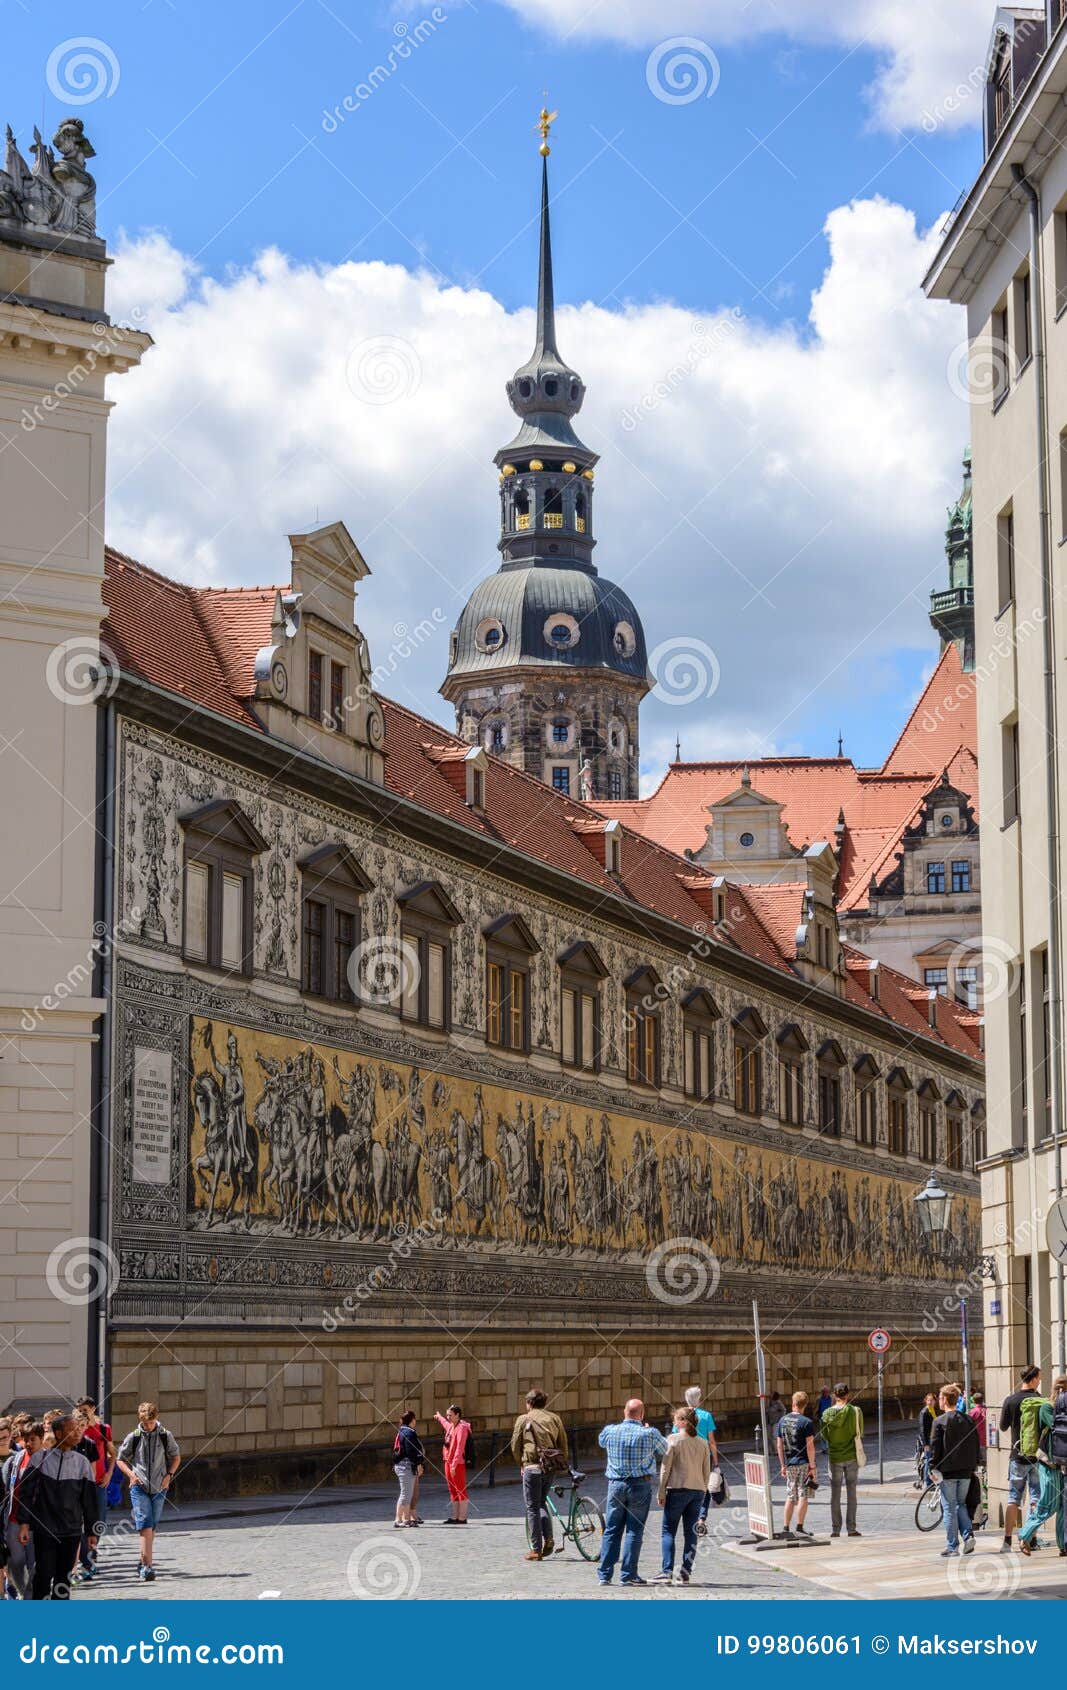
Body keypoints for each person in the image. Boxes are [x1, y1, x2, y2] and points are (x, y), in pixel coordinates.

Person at [16, 1415, 98, 1599]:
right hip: (45, 1529)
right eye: (72, 1429)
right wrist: (24, 1524)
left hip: (71, 1531)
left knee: (63, 1580)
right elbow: (26, 1494)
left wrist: (92, 1531)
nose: (78, 1432)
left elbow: (89, 1500)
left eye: (78, 1428)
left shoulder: (82, 1463)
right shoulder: (39, 1459)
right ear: (59, 1433)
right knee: (43, 1576)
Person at [597, 1398, 668, 1587]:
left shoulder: (610, 1431)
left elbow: (601, 1442)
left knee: (612, 1530)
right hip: (640, 1485)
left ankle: (604, 1575)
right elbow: (665, 1449)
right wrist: (646, 1430)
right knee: (634, 1531)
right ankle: (628, 1575)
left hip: (616, 1485)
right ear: (642, 1414)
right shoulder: (649, 1433)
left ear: (624, 1412)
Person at [116, 1402, 180, 1582]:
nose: (148, 1426)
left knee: (152, 1527)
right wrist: (131, 1475)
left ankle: (142, 1560)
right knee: (145, 1525)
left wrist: (169, 1475)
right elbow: (120, 1459)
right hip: (139, 1487)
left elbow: (176, 1457)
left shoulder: (165, 1436)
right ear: (140, 1420)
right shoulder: (134, 1436)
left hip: (160, 1486)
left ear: (156, 1419)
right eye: (145, 1423)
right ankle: (147, 1567)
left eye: (151, 1423)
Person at [653, 1405, 710, 1585]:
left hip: (677, 1489)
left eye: (676, 1419)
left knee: (668, 1531)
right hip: (697, 1490)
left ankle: (667, 1571)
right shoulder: (703, 1443)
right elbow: (706, 1471)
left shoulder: (673, 1440)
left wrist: (661, 1490)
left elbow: (665, 1468)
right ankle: (685, 1571)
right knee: (690, 1533)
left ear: (683, 1422)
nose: (673, 1422)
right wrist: (703, 1489)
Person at [511, 1387, 569, 1562]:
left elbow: (515, 1444)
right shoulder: (554, 1418)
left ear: (528, 1403)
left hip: (532, 1467)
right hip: (549, 1467)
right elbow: (563, 1444)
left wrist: (521, 1463)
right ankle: (549, 1539)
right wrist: (561, 1463)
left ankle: (536, 1549)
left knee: (532, 1507)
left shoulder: (523, 1419)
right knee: (541, 1501)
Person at [1018, 1375, 1067, 1557]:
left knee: (1063, 1506)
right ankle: (1025, 1535)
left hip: (1062, 1465)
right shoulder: (1047, 1407)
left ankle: (1064, 1544)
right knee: (1048, 1504)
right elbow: (1057, 1427)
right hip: (1050, 1464)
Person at [929, 1384, 980, 1558]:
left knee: (949, 1508)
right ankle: (968, 1536)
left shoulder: (940, 1421)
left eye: (940, 1398)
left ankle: (952, 1546)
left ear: (944, 1400)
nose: (939, 1401)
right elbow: (975, 1443)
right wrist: (974, 1464)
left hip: (947, 1472)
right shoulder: (968, 1419)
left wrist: (932, 1467)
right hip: (965, 1471)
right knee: (961, 1504)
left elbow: (935, 1448)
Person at [999, 1364, 1043, 1554]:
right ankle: (1031, 1538)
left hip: (1017, 1456)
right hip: (1036, 1457)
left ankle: (1007, 1540)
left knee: (1013, 1498)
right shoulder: (1040, 1400)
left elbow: (1002, 1426)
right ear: (1033, 1379)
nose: (1040, 1380)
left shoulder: (1010, 1400)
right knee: (1035, 1498)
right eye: (1039, 1377)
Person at [3, 1421, 43, 1598]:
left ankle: (30, 1600)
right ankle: (25, 1595)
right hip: (14, 1518)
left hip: (38, 1522)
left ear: (41, 1439)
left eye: (32, 1439)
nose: (28, 1443)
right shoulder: (16, 1459)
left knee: (36, 1565)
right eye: (25, 1439)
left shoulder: (48, 1460)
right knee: (15, 1563)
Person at [819, 1382, 863, 1539]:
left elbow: (824, 1435)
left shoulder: (826, 1414)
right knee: (852, 1493)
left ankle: (835, 1529)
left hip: (835, 1457)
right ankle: (851, 1528)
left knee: (835, 1494)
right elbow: (860, 1432)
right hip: (851, 1456)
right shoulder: (855, 1411)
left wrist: (833, 1442)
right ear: (848, 1395)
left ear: (834, 1395)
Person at [776, 1390, 817, 1539]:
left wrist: (782, 1464)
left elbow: (779, 1446)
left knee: (790, 1496)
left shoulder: (782, 1421)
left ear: (793, 1403)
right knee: (803, 1495)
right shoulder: (806, 1422)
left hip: (790, 1463)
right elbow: (810, 1446)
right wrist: (812, 1467)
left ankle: (786, 1527)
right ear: (804, 1405)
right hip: (804, 1463)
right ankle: (799, 1527)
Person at [683, 1386, 720, 1536]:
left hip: (686, 1456)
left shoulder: (682, 1416)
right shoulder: (706, 1416)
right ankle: (701, 1519)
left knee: (688, 1486)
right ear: (698, 1399)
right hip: (704, 1456)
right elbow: (711, 1441)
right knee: (705, 1489)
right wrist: (716, 1461)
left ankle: (690, 1518)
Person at [434, 1404, 471, 1525]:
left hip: (457, 1463)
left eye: (450, 1415)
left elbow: (460, 1447)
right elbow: (445, 1423)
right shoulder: (451, 1426)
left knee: (460, 1489)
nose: (448, 1417)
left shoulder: (462, 1428)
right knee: (452, 1489)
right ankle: (455, 1516)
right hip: (447, 1461)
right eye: (447, 1415)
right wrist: (439, 1417)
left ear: (457, 1415)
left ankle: (462, 1517)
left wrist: (454, 1464)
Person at [393, 1411, 424, 1528]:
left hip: (403, 1465)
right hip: (405, 1466)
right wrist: (418, 1464)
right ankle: (400, 1519)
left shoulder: (403, 1430)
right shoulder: (409, 1432)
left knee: (407, 1494)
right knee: (406, 1494)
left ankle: (404, 1519)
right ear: (412, 1420)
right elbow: (411, 1451)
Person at [969, 1391, 988, 1465]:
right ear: (983, 1400)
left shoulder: (973, 1411)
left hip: (977, 1439)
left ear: (973, 1401)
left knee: (979, 1462)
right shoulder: (986, 1410)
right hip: (987, 1439)